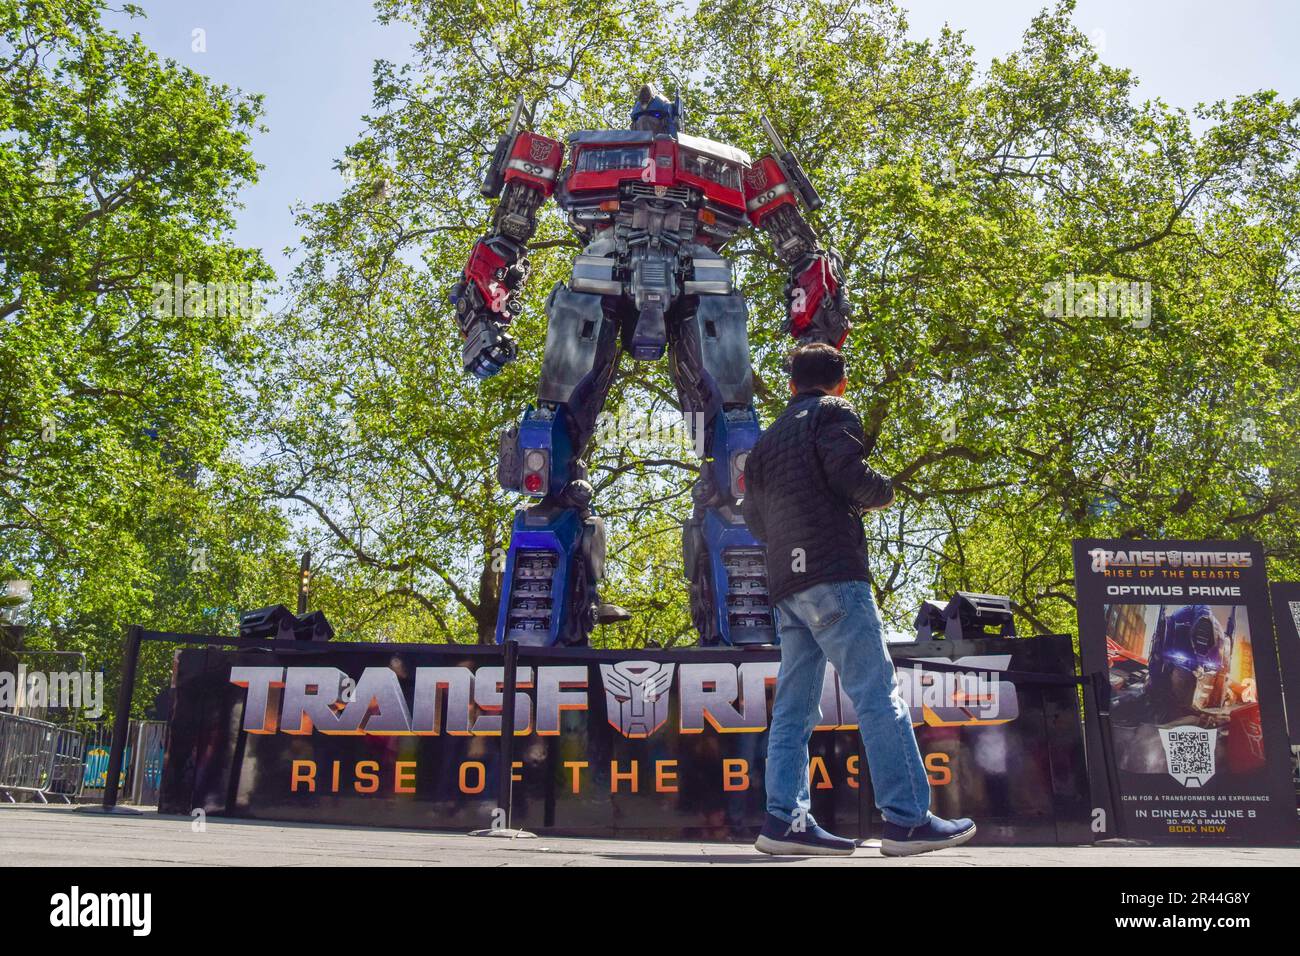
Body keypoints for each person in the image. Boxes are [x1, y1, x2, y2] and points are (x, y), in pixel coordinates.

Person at [741, 342, 976, 857]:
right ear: (840, 383)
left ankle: (784, 820)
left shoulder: (765, 441)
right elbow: (849, 476)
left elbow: (753, 518)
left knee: (794, 710)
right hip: (834, 577)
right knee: (877, 696)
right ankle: (908, 820)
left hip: (787, 586)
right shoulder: (833, 412)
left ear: (790, 385)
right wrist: (884, 491)